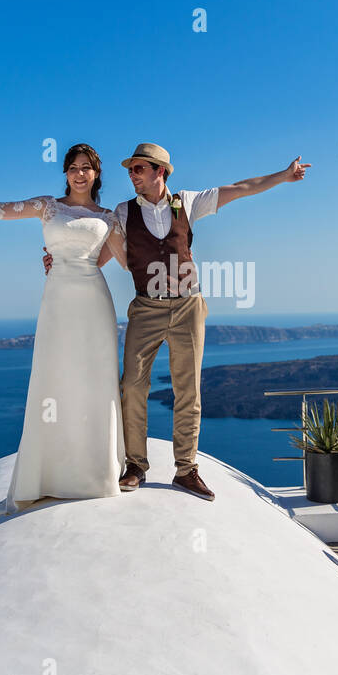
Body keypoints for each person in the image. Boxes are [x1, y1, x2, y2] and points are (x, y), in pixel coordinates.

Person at [47, 142, 308, 501]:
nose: (132, 175)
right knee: (133, 386)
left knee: (188, 390)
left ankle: (186, 470)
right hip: (146, 308)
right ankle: (136, 466)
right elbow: (98, 253)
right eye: (130, 170)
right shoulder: (122, 213)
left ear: (160, 172)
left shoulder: (188, 202)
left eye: (139, 169)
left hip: (188, 307)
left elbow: (242, 188)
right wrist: (61, 261)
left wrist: (284, 175)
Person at [0, 143, 129, 516]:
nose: (79, 173)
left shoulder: (109, 217)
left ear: (97, 174)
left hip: (94, 303)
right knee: (54, 379)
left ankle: (95, 473)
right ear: (65, 173)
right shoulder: (47, 206)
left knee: (95, 380)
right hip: (56, 302)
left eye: (87, 167)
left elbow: (127, 261)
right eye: (73, 167)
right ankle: (49, 474)